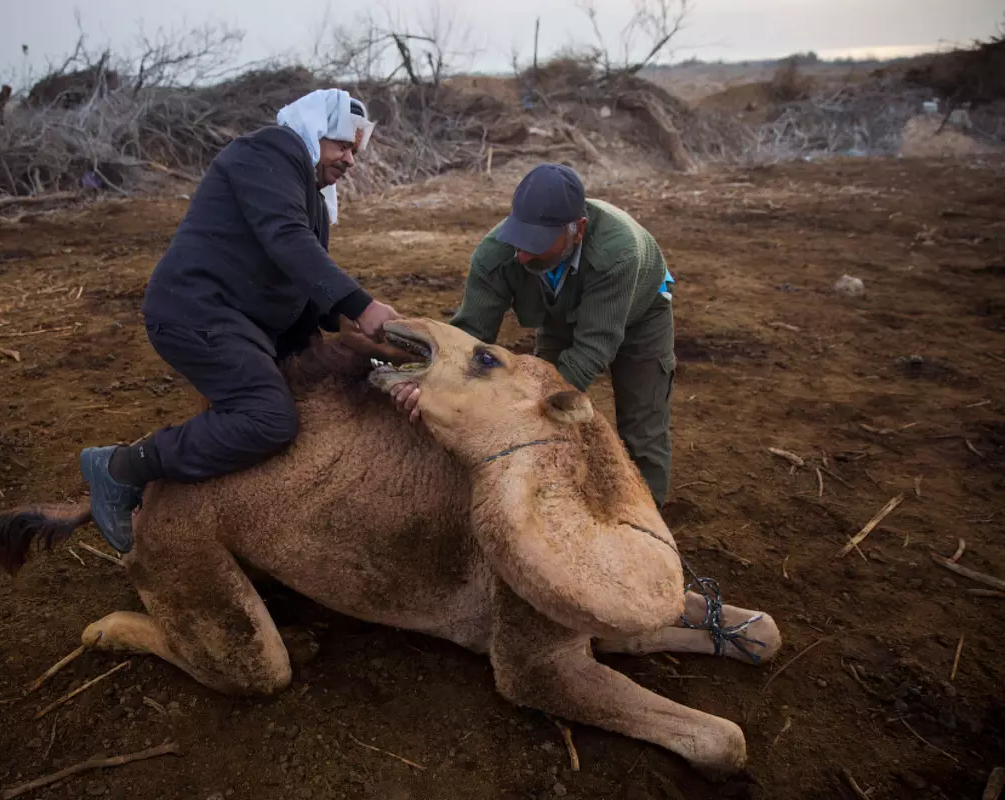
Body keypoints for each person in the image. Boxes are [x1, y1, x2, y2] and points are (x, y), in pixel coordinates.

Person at [80, 89, 400, 552]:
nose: (350, 160)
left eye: (355, 150)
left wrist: (355, 334)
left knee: (332, 380)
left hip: (242, 321)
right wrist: (360, 307)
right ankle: (122, 467)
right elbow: (286, 240)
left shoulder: (307, 189)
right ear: (314, 130)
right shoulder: (270, 151)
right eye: (342, 146)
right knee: (269, 417)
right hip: (198, 312)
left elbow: (299, 276)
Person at [391, 163, 677, 507]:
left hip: (640, 315)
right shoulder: (495, 255)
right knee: (549, 416)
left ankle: (645, 525)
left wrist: (526, 406)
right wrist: (428, 380)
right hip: (559, 314)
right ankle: (550, 502)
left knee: (642, 431)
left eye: (536, 244)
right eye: (518, 239)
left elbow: (594, 346)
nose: (522, 254)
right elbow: (466, 339)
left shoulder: (618, 253)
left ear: (578, 230)